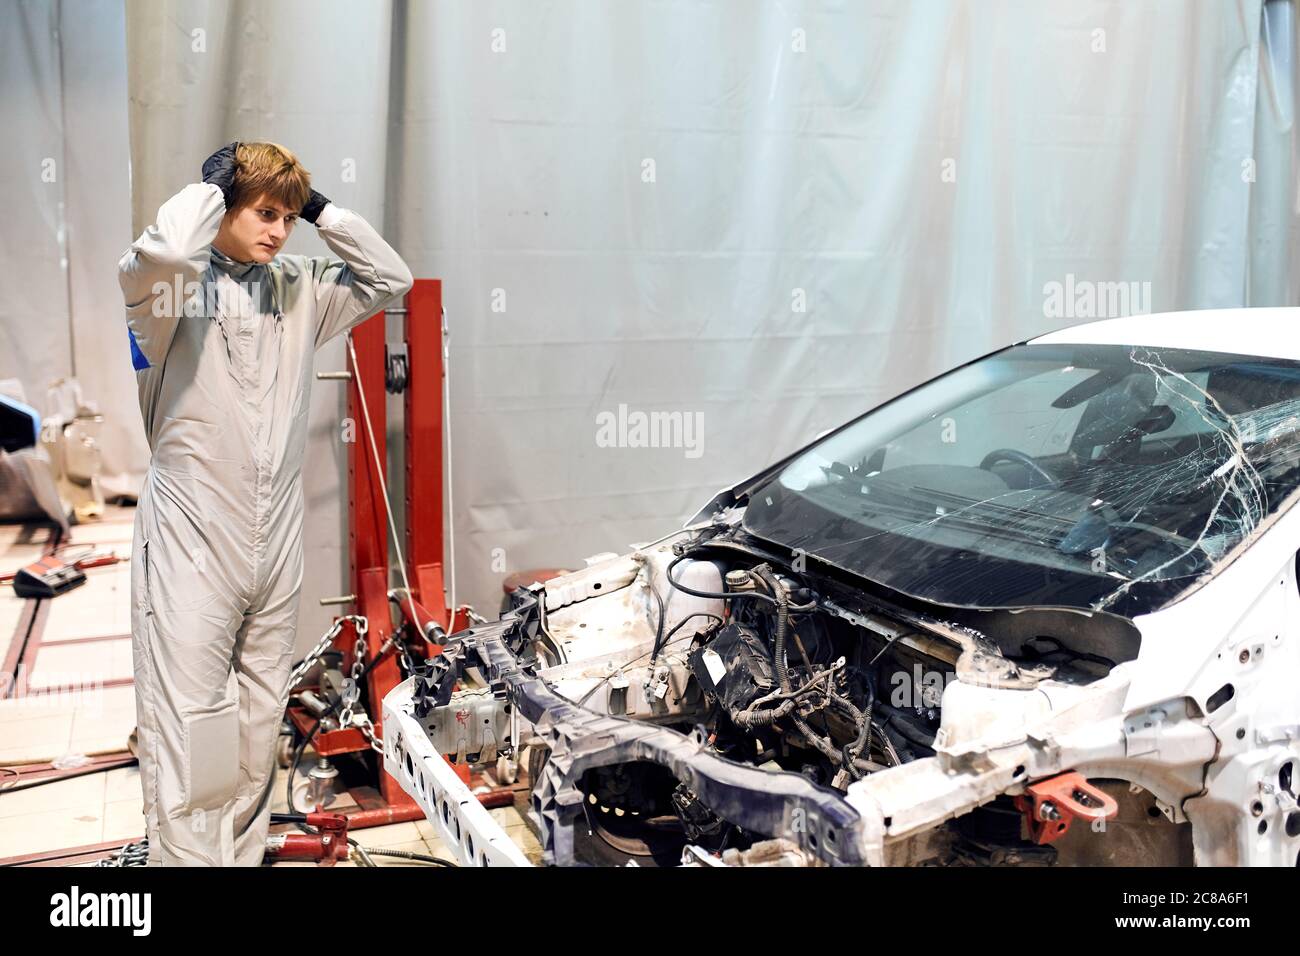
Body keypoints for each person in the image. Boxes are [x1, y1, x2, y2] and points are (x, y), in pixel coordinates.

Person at [117, 142, 413, 865]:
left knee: (256, 726)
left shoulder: (300, 288)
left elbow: (390, 275)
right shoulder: (165, 295)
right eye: (264, 212)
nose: (279, 230)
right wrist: (210, 193)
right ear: (220, 208)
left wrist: (318, 209)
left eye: (289, 217)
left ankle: (241, 860)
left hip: (274, 546)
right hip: (191, 542)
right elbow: (163, 256)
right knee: (193, 730)